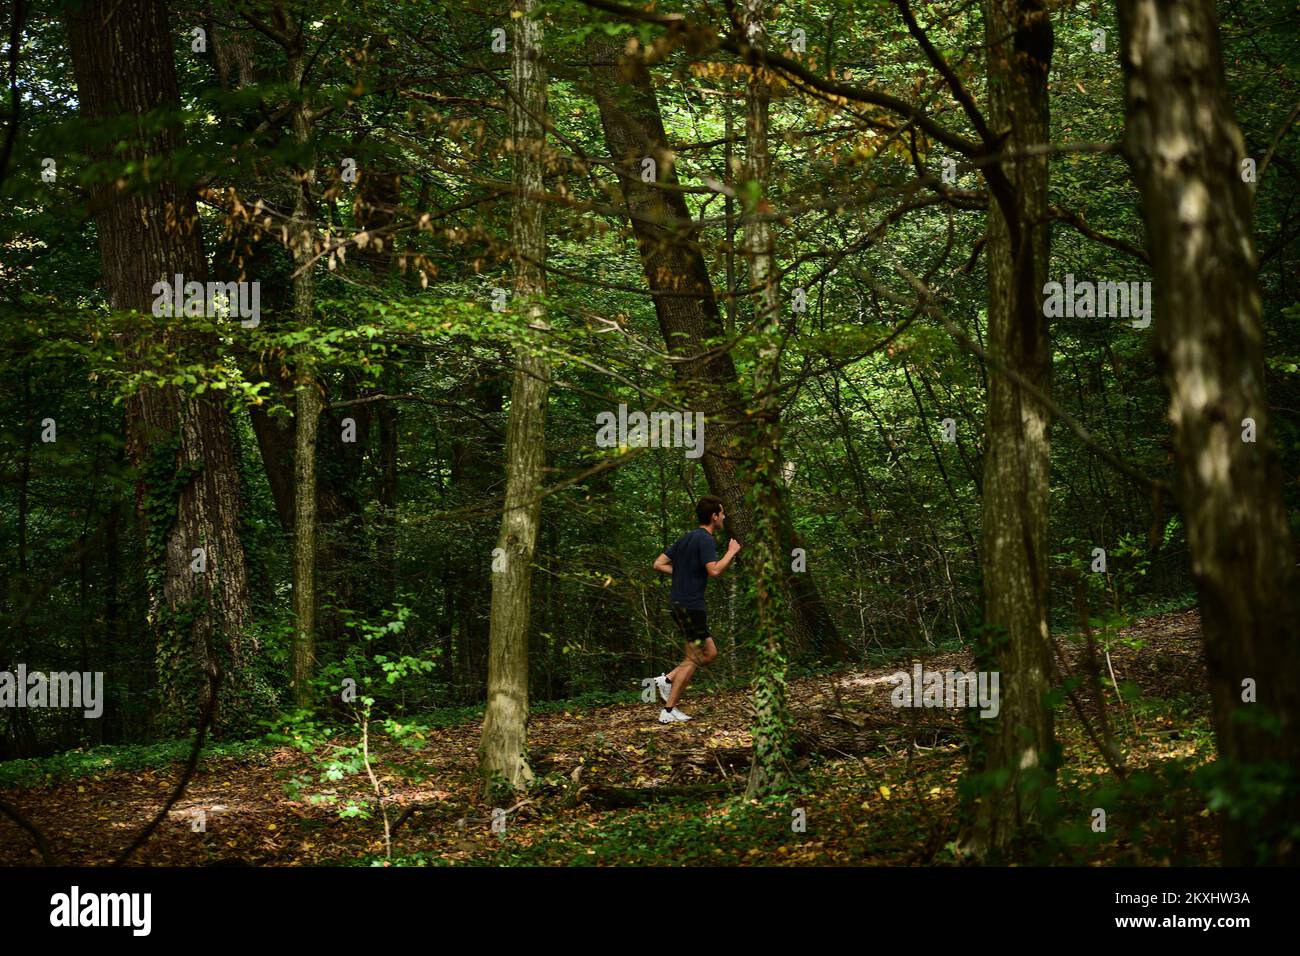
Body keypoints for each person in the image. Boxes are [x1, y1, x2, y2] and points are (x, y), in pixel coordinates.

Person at [648, 495, 741, 723]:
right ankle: (668, 711)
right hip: (691, 605)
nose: (724, 516)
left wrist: (684, 574)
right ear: (714, 516)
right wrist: (731, 551)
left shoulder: (686, 539)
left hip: (678, 603)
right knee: (698, 656)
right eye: (722, 513)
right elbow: (715, 571)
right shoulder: (706, 540)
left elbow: (658, 564)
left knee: (706, 654)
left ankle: (667, 680)